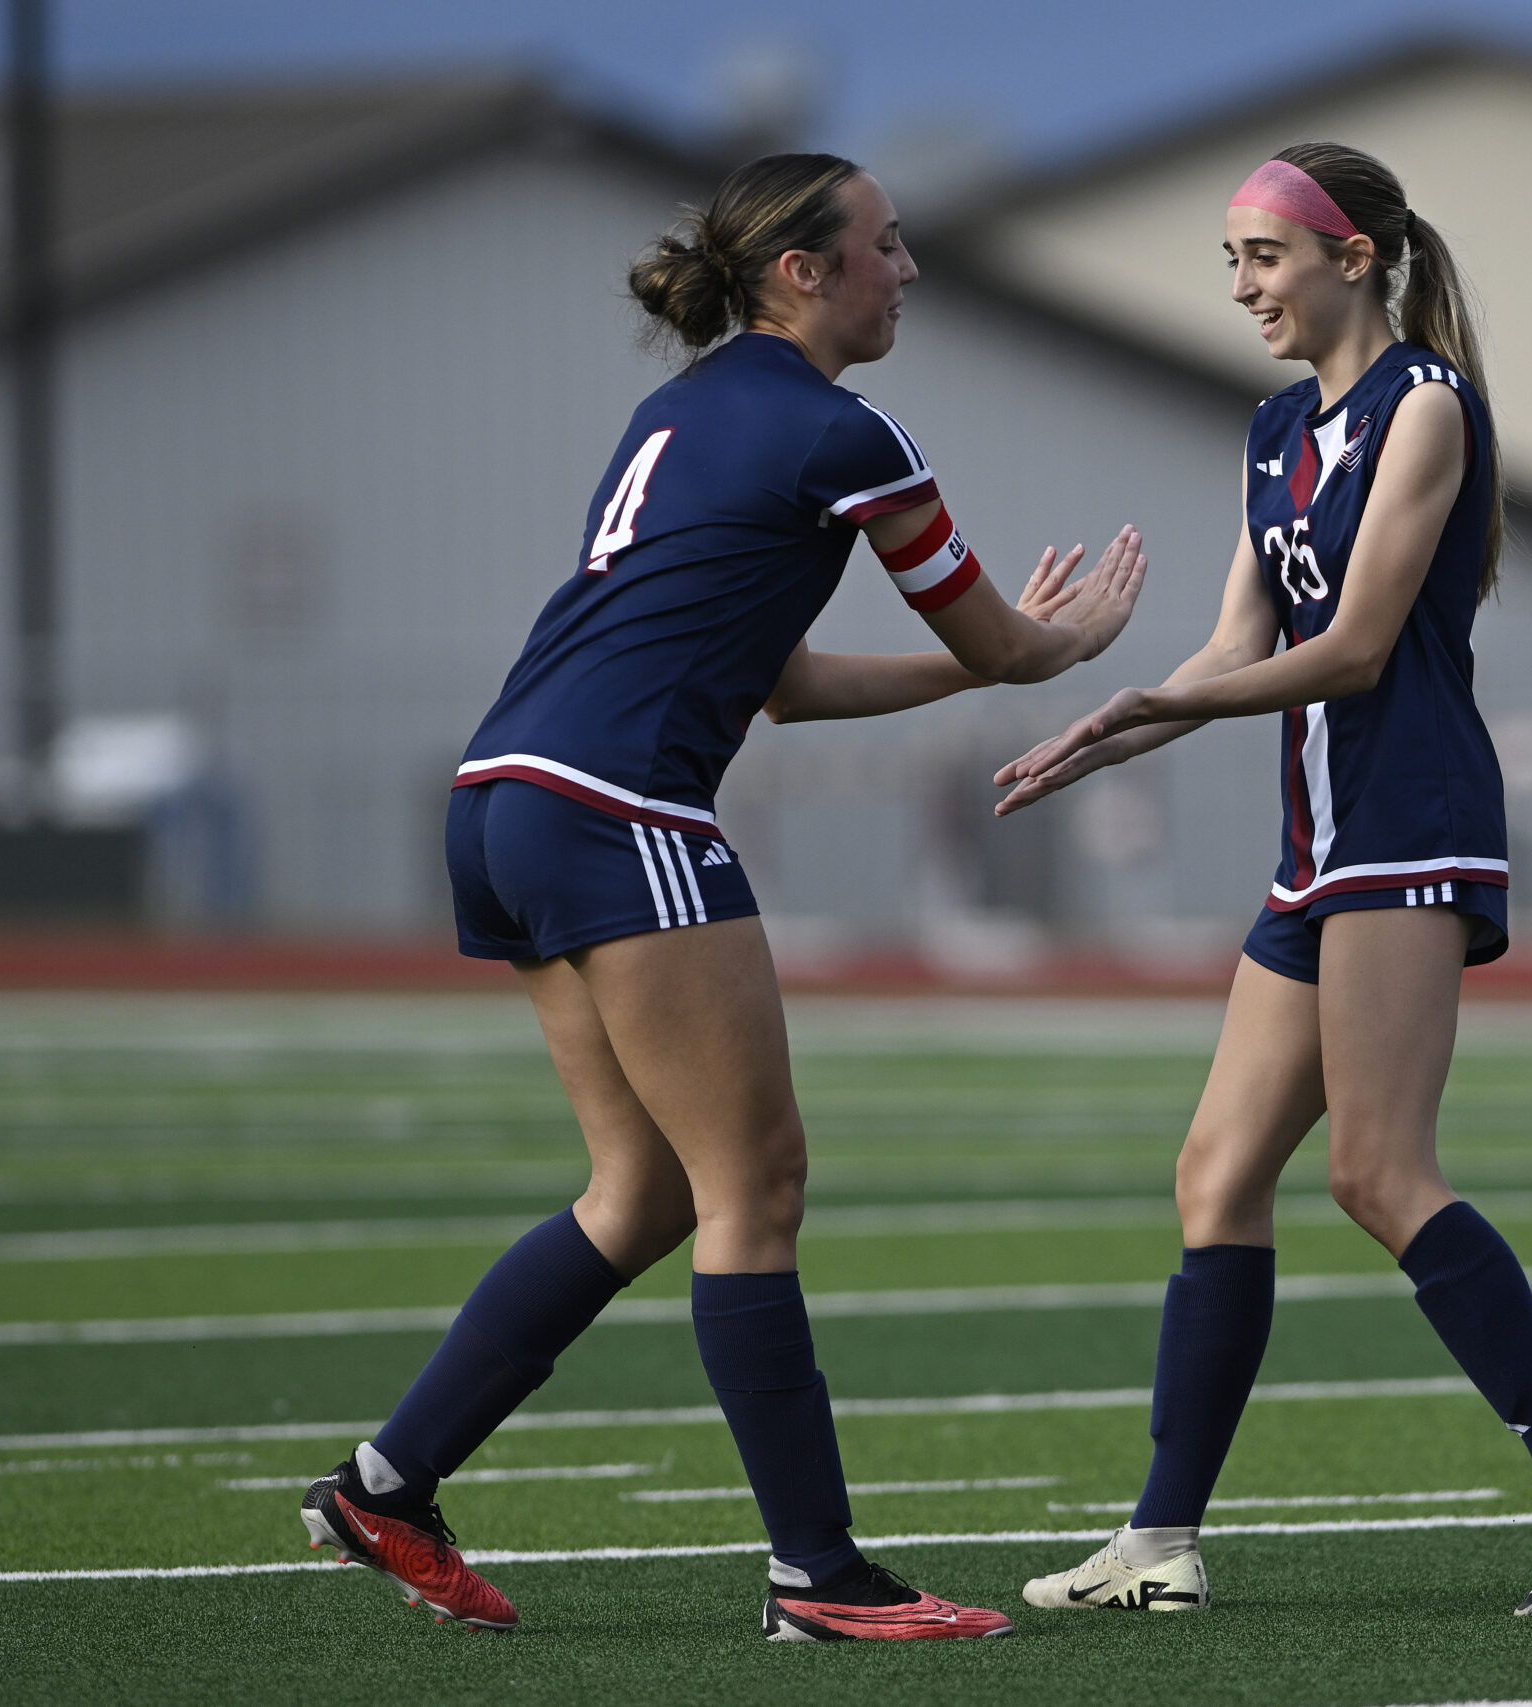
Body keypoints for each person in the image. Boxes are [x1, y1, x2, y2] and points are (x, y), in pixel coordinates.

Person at [292, 152, 1144, 1643]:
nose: (910, 269)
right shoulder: (847, 431)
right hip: (617, 809)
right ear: (802, 272)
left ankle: (387, 1482)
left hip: (504, 798)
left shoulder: (676, 410)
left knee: (651, 1193)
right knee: (759, 1189)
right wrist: (1054, 645)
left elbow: (787, 688)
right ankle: (819, 1574)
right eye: (887, 245)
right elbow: (1004, 645)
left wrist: (999, 653)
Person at [1002, 144, 1532, 1619]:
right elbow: (1241, 644)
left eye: (1265, 257)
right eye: (1231, 262)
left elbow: (1359, 647)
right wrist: (1118, 726)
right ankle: (1159, 1544)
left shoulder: (1426, 409)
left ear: (1356, 256)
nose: (1244, 287)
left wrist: (1159, 714)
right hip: (1318, 844)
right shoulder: (1269, 431)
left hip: (1409, 821)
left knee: (1378, 1172)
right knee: (1217, 1175)